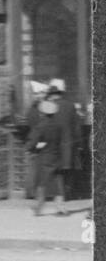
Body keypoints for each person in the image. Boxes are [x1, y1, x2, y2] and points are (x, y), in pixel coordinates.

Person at [25, 97, 62, 216]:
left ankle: (39, 207)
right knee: (56, 181)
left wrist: (32, 148)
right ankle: (60, 207)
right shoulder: (58, 126)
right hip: (56, 155)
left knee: (41, 183)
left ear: (43, 113)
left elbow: (32, 143)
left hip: (43, 157)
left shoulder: (40, 126)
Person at [46, 81, 79, 212]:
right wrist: (78, 144)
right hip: (68, 146)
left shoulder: (49, 106)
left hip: (54, 145)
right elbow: (76, 128)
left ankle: (60, 203)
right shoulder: (70, 105)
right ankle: (62, 201)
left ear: (52, 95)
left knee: (57, 174)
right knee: (65, 174)